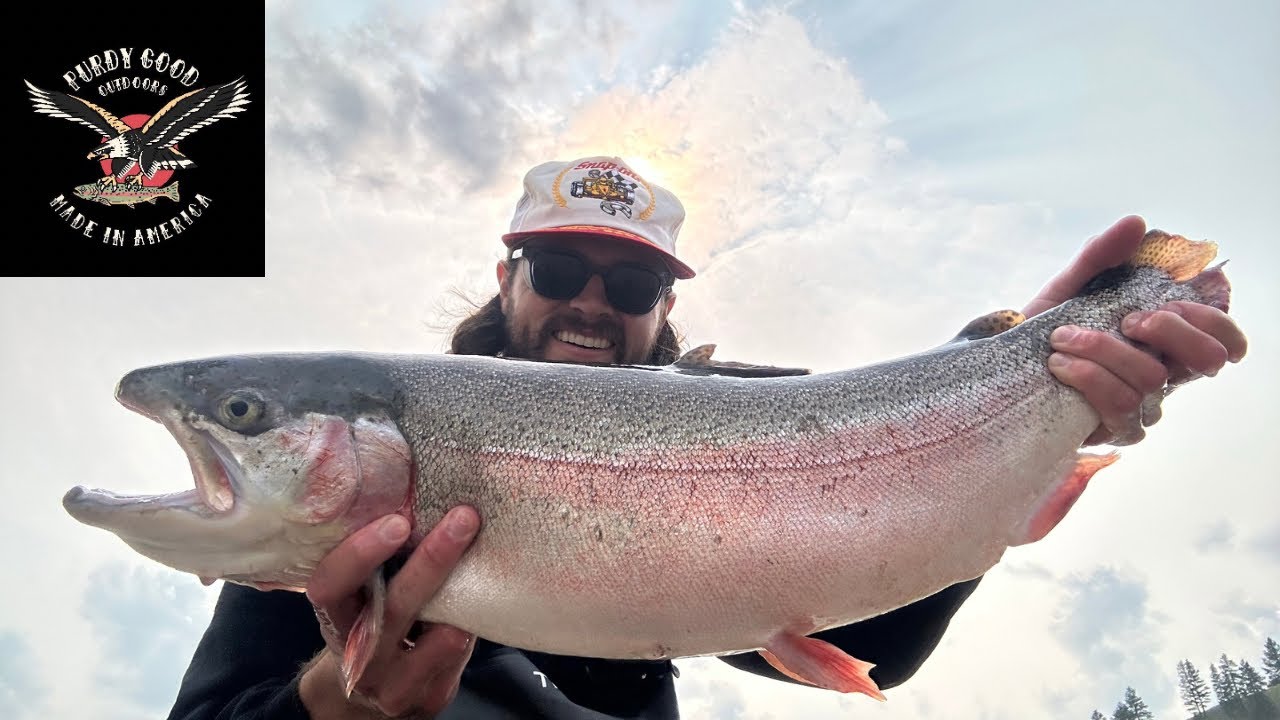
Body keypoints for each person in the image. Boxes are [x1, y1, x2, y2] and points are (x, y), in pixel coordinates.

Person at [166, 155, 1248, 719]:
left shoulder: (741, 423)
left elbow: (881, 648)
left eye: (629, 280)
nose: (590, 301)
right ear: (507, 281)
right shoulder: (313, 525)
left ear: (662, 307)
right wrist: (329, 711)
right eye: (556, 271)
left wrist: (1029, 384)